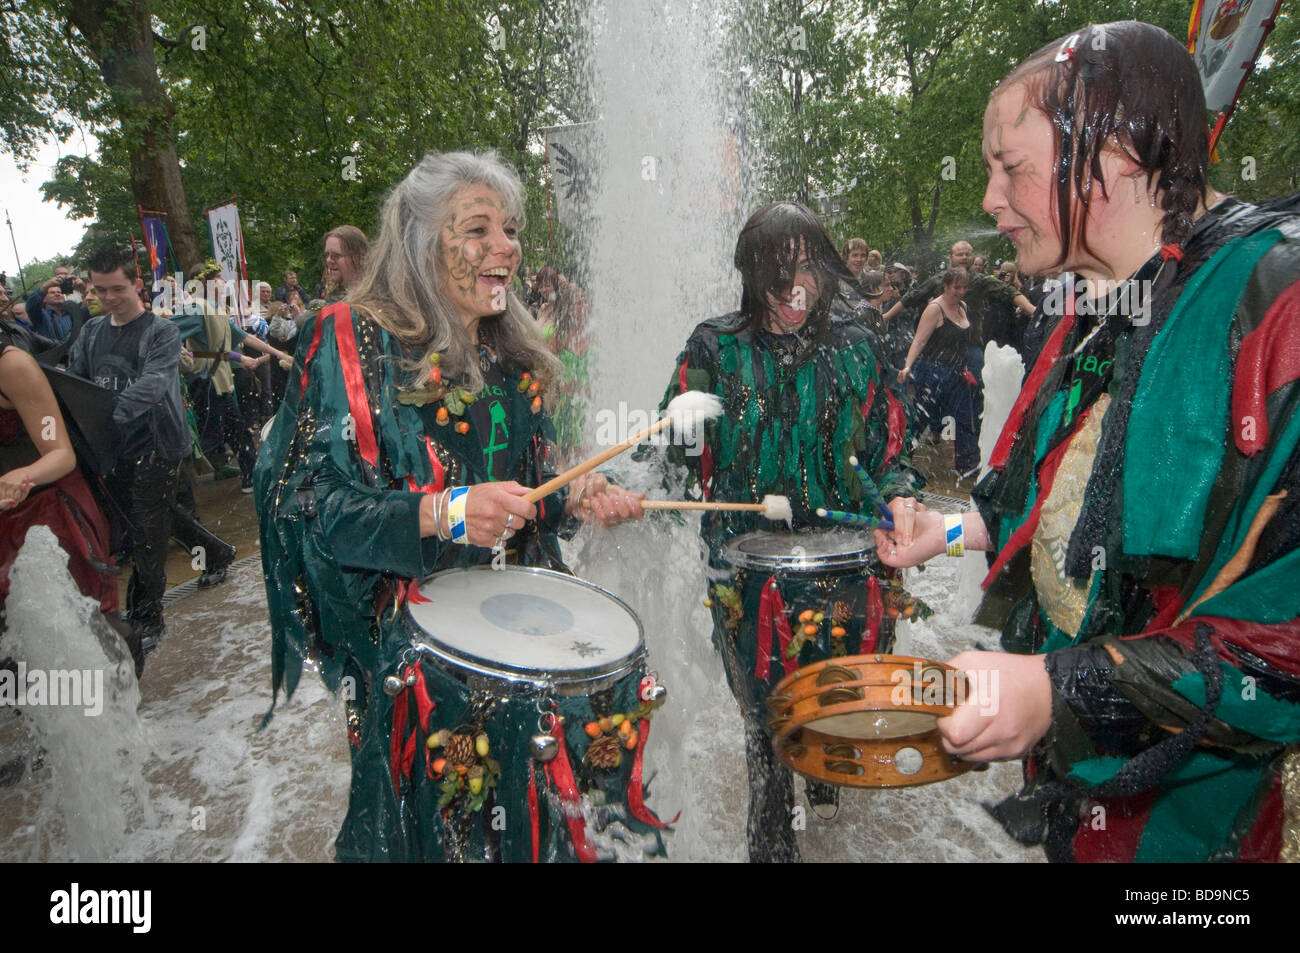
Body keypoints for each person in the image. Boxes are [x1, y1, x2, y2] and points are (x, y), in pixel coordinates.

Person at [877, 20, 1300, 862]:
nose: (991, 200)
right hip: (1080, 813)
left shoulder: (1277, 308)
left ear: (1113, 155)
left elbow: (1282, 644)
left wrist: (1055, 689)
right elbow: (1064, 513)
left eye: (1011, 167)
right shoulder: (1091, 304)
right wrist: (952, 528)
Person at [255, 151, 661, 863]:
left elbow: (531, 493)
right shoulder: (352, 340)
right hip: (421, 668)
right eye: (479, 229)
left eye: (510, 228)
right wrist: (441, 513)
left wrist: (580, 495)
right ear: (420, 243)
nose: (508, 247)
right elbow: (318, 511)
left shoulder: (512, 357)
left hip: (526, 646)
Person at [659, 201, 917, 862]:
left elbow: (891, 453)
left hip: (851, 568)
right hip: (746, 576)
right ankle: (770, 841)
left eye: (809, 267)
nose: (796, 285)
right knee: (766, 719)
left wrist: (903, 502)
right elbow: (669, 452)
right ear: (751, 274)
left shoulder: (858, 344)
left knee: (832, 714)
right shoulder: (713, 348)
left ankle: (823, 774)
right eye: (779, 270)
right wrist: (629, 491)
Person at [66, 248, 192, 662]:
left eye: (117, 288)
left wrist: (105, 413)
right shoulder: (90, 332)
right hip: (112, 451)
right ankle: (219, 554)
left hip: (158, 445)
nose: (109, 297)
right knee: (148, 519)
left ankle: (146, 619)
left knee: (146, 535)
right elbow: (76, 380)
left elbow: (154, 384)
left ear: (137, 283)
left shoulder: (162, 332)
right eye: (99, 290)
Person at [897, 267, 980, 481]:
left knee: (964, 418)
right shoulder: (934, 308)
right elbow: (919, 340)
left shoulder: (963, 306)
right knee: (920, 419)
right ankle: (900, 462)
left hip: (958, 373)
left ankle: (968, 466)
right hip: (933, 372)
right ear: (945, 285)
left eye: (964, 287)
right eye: (956, 287)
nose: (961, 292)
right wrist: (907, 366)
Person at [313, 225, 367, 301]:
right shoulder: (330, 299)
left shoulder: (374, 299)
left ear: (360, 257)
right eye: (326, 255)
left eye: (336, 255)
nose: (328, 260)